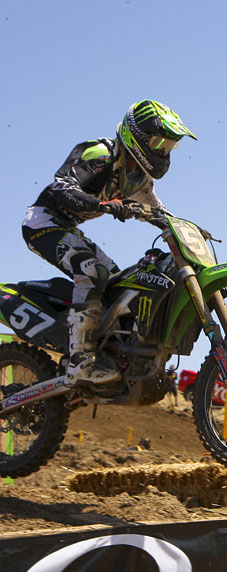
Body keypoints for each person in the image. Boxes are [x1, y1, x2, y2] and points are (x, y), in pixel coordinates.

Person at [22, 100, 196, 385]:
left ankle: (111, 354)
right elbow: (61, 187)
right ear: (136, 136)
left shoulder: (139, 178)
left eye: (168, 147)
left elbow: (158, 212)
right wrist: (103, 204)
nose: (163, 151)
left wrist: (184, 228)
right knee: (91, 272)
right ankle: (79, 363)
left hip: (67, 229)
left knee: (118, 284)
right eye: (158, 142)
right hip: (42, 223)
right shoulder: (99, 153)